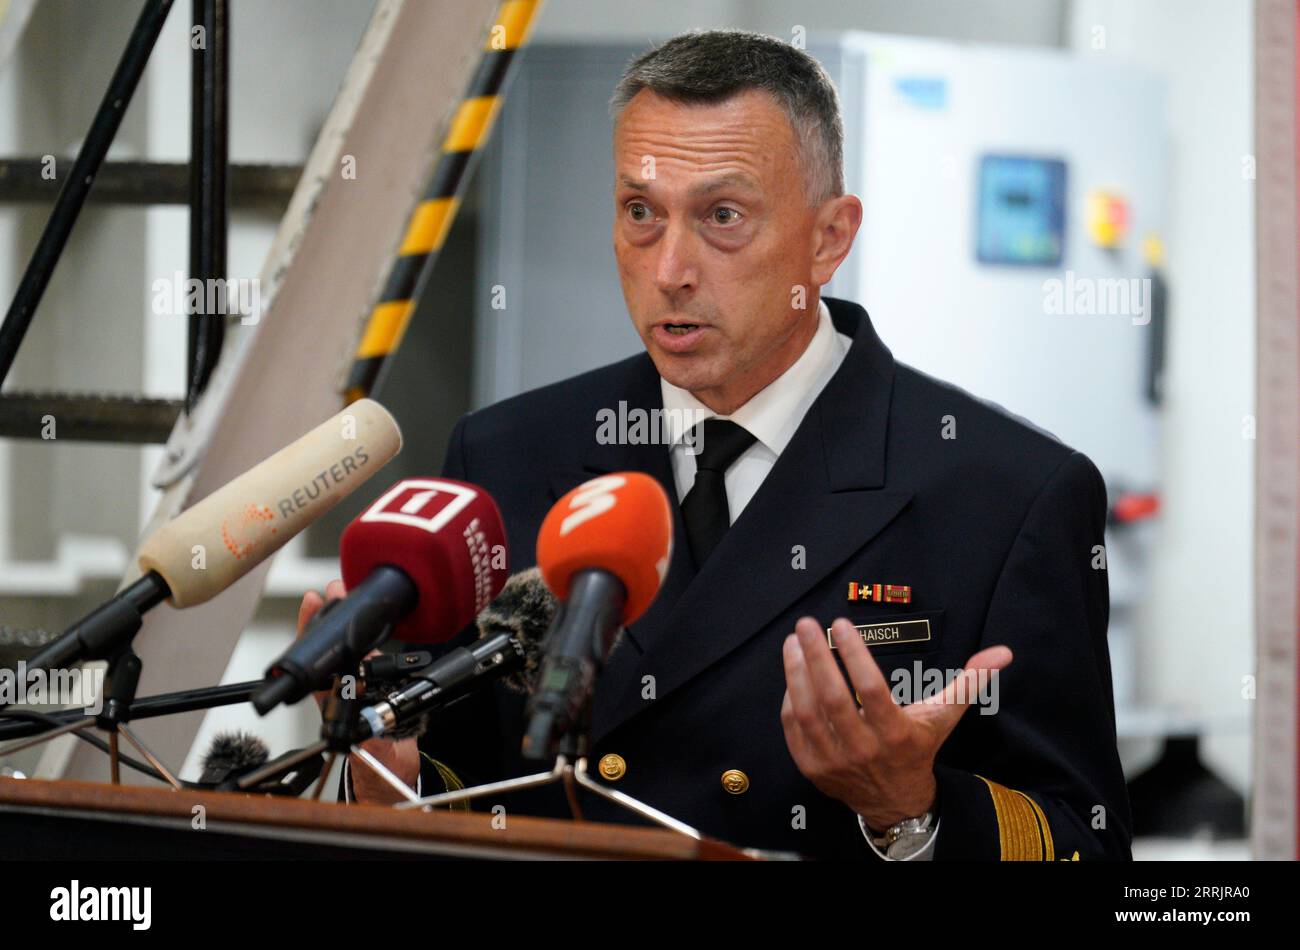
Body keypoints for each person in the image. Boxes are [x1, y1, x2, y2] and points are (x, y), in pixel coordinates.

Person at [299, 29, 1130, 861]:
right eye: (640, 214)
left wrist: (910, 811)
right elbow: (464, 794)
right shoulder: (510, 451)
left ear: (829, 239)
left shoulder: (1005, 492)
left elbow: (1085, 845)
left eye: (722, 217)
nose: (670, 269)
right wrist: (384, 777)